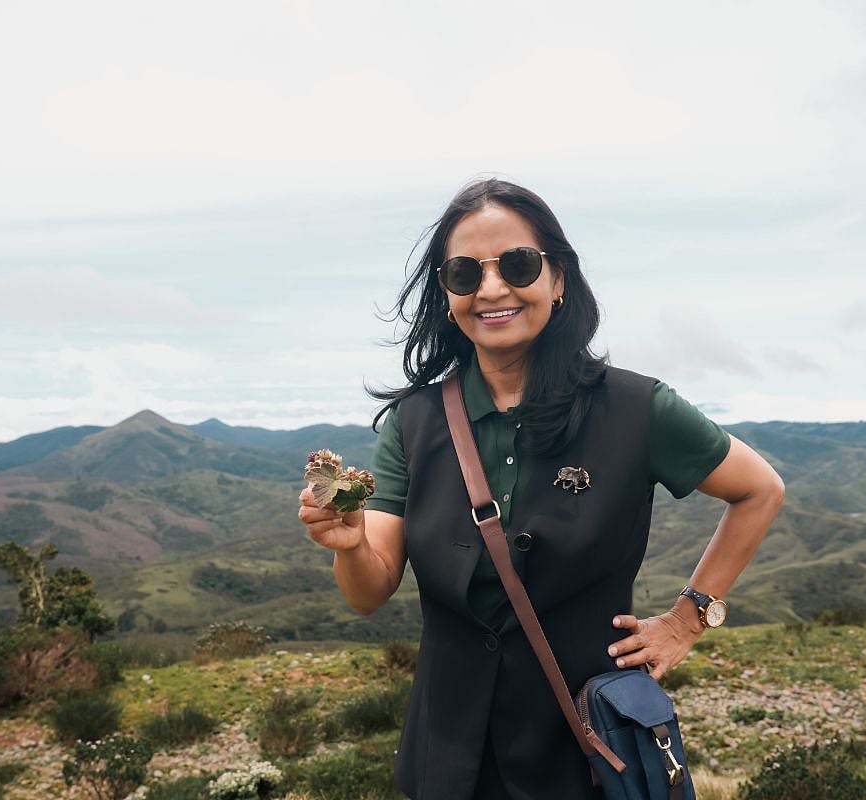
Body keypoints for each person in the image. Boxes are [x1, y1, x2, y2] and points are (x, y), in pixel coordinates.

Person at [298, 178, 785, 800]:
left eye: (518, 265)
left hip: (583, 749)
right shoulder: (415, 424)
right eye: (465, 273)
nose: (492, 288)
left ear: (558, 279)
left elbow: (759, 490)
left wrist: (688, 620)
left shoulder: (635, 409)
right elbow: (370, 590)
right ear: (447, 294)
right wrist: (347, 544)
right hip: (445, 757)